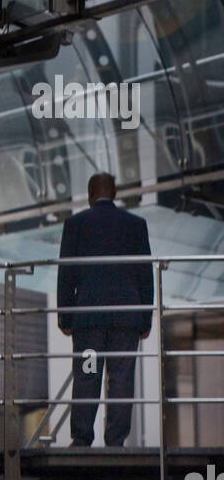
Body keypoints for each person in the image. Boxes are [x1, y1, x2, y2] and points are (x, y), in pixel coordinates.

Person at [57, 172, 153, 447]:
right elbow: (145, 273)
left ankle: (82, 438)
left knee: (87, 375)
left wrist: (65, 315)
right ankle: (116, 440)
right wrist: (145, 318)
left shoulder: (76, 224)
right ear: (114, 193)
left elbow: (67, 273)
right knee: (121, 378)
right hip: (126, 317)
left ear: (90, 194)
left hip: (88, 319)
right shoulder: (135, 225)